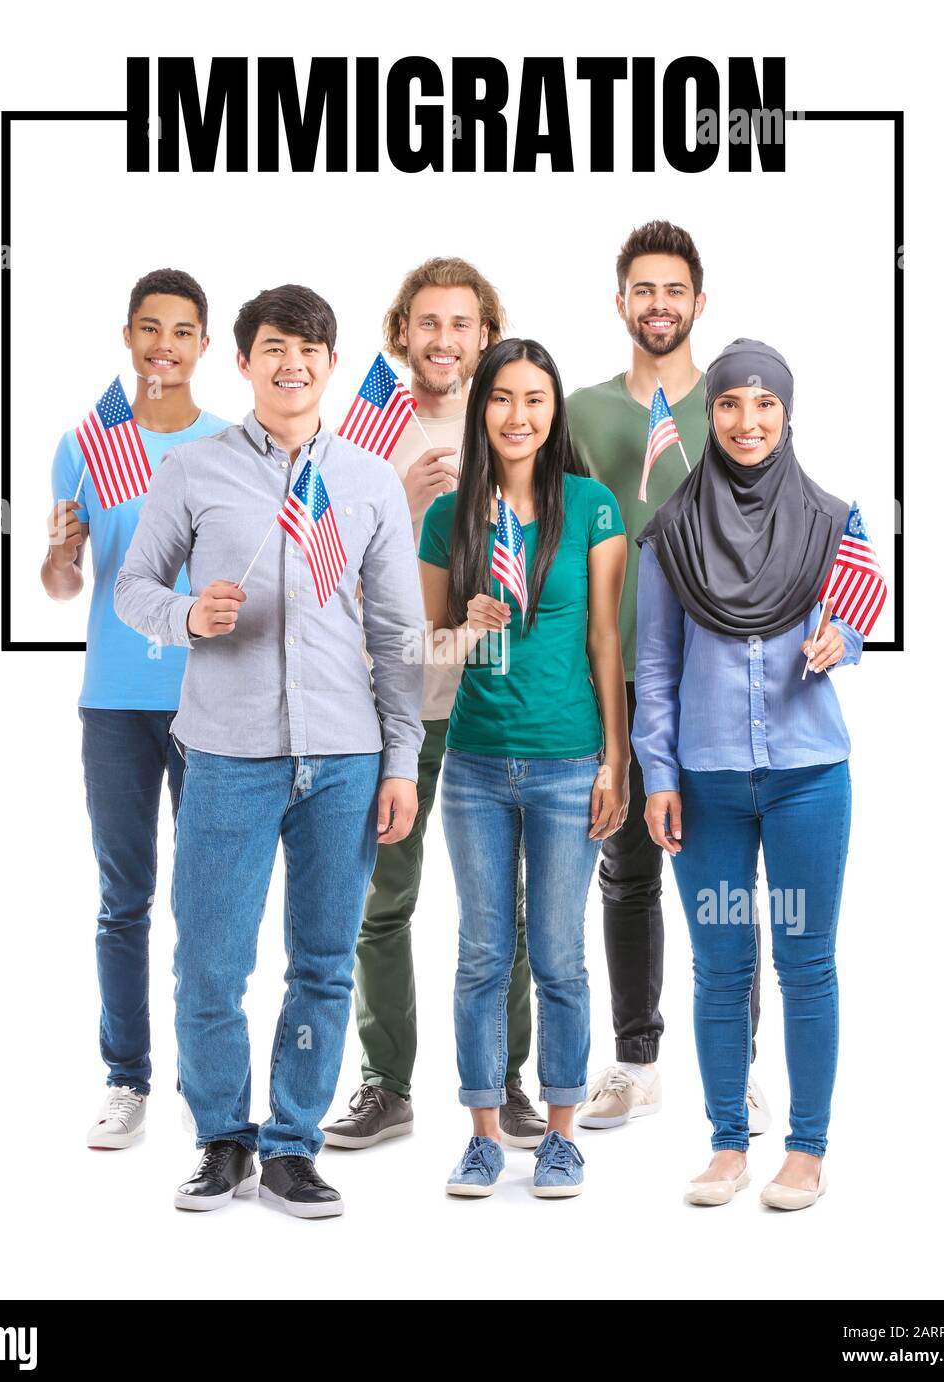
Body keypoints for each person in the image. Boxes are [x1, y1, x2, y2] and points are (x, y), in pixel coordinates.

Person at [114, 285, 425, 1218]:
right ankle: (222, 1138)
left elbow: (399, 631)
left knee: (324, 960)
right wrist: (183, 615)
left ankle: (292, 1142)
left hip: (345, 757)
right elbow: (133, 585)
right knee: (209, 961)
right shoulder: (194, 473)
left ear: (332, 365)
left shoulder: (367, 483)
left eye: (312, 349)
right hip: (227, 754)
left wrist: (401, 760)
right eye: (275, 347)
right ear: (242, 362)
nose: (294, 363)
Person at [634, 338, 863, 1210]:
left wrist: (843, 641)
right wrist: (659, 775)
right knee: (722, 966)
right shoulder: (671, 535)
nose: (746, 420)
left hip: (808, 779)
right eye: (729, 403)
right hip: (708, 788)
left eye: (764, 404)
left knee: (805, 963)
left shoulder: (832, 521)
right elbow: (654, 668)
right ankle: (727, 1143)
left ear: (786, 415)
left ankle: (806, 1150)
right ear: (709, 413)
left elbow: (854, 621)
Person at [324, 258, 544, 1152]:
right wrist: (398, 501)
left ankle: (510, 1078)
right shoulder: (364, 433)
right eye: (427, 323)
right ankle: (386, 1083)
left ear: (485, 334)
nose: (444, 340)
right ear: (401, 333)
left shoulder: (515, 421)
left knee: (509, 906)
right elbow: (320, 568)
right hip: (398, 701)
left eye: (461, 324)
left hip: (494, 696)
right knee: (382, 902)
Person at [567, 221, 769, 1134]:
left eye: (672, 291)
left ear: (696, 302)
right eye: (641, 291)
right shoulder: (582, 414)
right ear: (621, 304)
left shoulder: (732, 405)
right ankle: (635, 1060)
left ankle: (742, 1062)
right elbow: (549, 534)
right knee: (626, 867)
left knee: (727, 876)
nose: (657, 306)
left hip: (720, 675)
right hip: (612, 672)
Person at [419, 338, 629, 1199]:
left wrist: (615, 760)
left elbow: (605, 638)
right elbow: (424, 653)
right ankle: (478, 1133)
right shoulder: (447, 516)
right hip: (471, 765)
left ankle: (560, 1134)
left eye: (534, 400)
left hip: (568, 760)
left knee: (558, 955)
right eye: (501, 399)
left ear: (554, 412)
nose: (517, 416)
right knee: (479, 951)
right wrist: (468, 628)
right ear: (482, 411)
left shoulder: (592, 507)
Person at [42, 268, 229, 1149]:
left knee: (208, 901)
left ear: (202, 343)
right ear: (127, 336)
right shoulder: (87, 447)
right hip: (116, 700)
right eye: (149, 329)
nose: (164, 345)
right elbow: (63, 584)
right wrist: (58, 553)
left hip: (212, 700)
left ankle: (207, 1082)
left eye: (182, 330)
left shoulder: (232, 444)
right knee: (125, 897)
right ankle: (127, 1079)